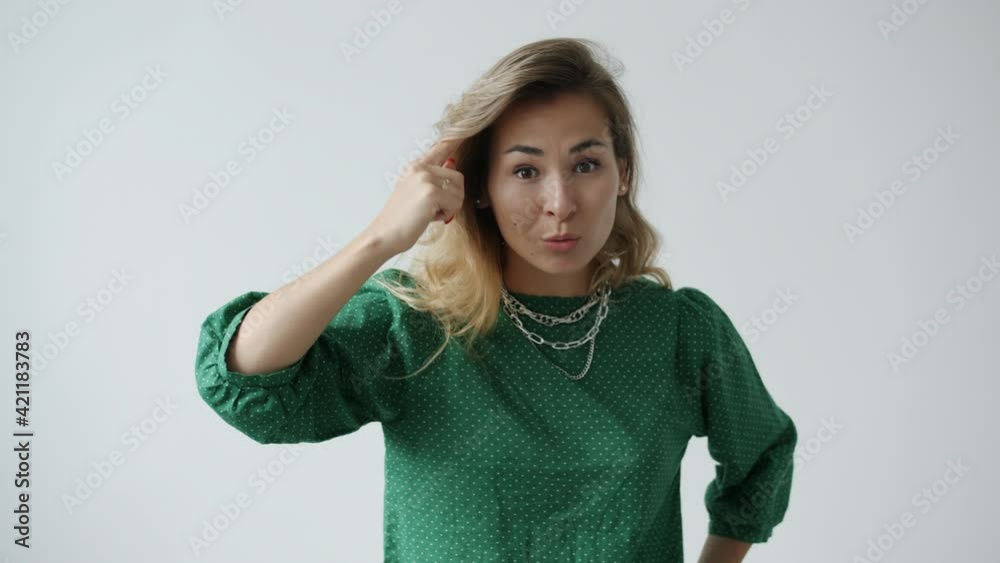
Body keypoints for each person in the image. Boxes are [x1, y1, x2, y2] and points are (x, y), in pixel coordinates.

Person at [194, 37, 797, 563]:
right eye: (526, 171)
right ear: (479, 185)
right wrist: (382, 238)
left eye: (586, 164)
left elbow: (762, 458)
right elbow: (244, 381)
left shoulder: (679, 330)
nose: (560, 203)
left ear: (623, 174)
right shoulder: (413, 324)